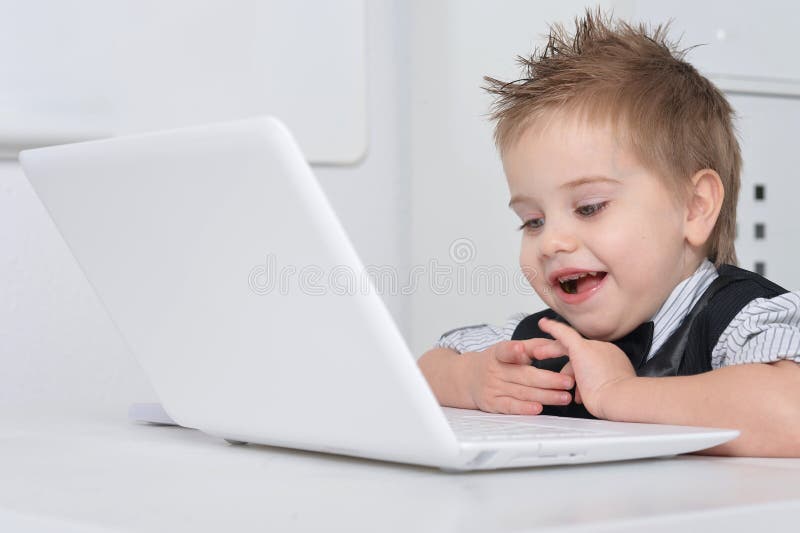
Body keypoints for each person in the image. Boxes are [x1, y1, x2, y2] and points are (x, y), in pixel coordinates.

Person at [417, 9, 800, 457]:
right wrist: (472, 380)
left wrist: (619, 392)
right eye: (533, 220)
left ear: (695, 208)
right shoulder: (547, 337)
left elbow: (790, 412)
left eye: (589, 207)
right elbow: (424, 370)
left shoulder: (741, 321)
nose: (552, 242)